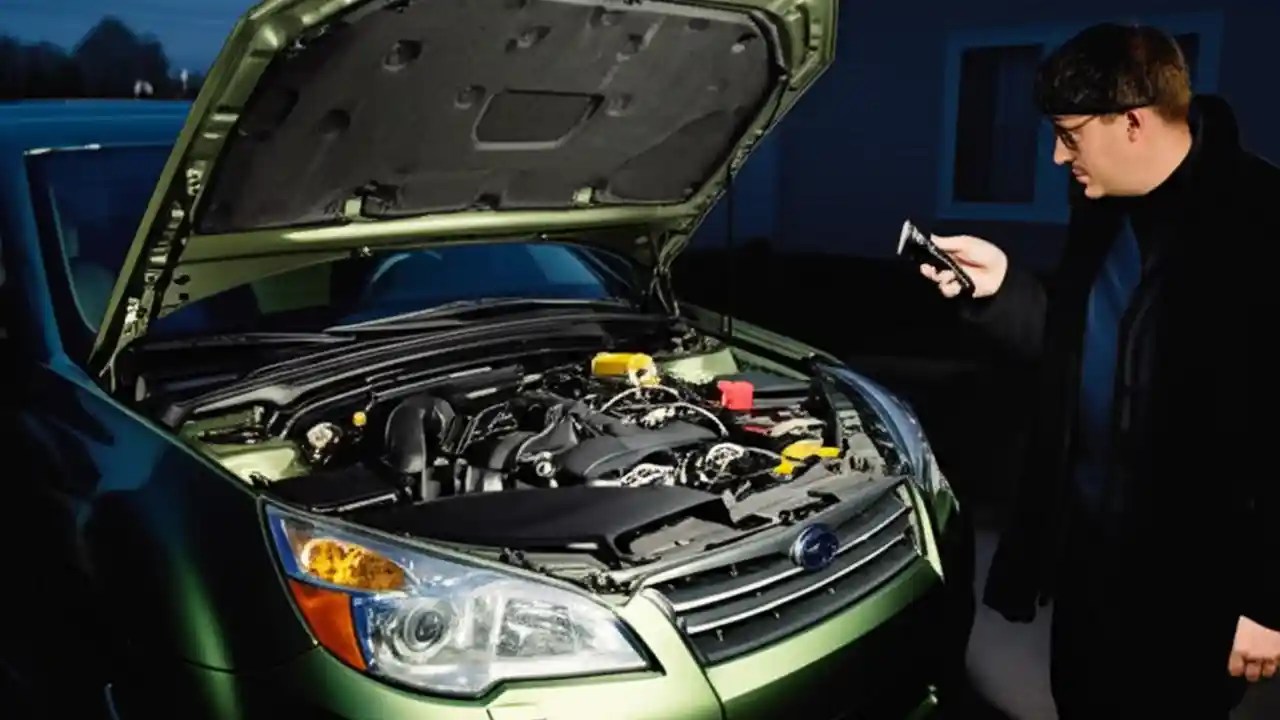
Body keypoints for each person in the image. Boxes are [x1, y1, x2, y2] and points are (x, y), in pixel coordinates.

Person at [918, 22, 1280, 718]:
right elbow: (1076, 347)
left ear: (1134, 123)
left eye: (1069, 134)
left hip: (1196, 573)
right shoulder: (1100, 207)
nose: (1057, 157)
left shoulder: (1262, 223)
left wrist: (1268, 601)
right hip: (1087, 555)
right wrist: (1001, 290)